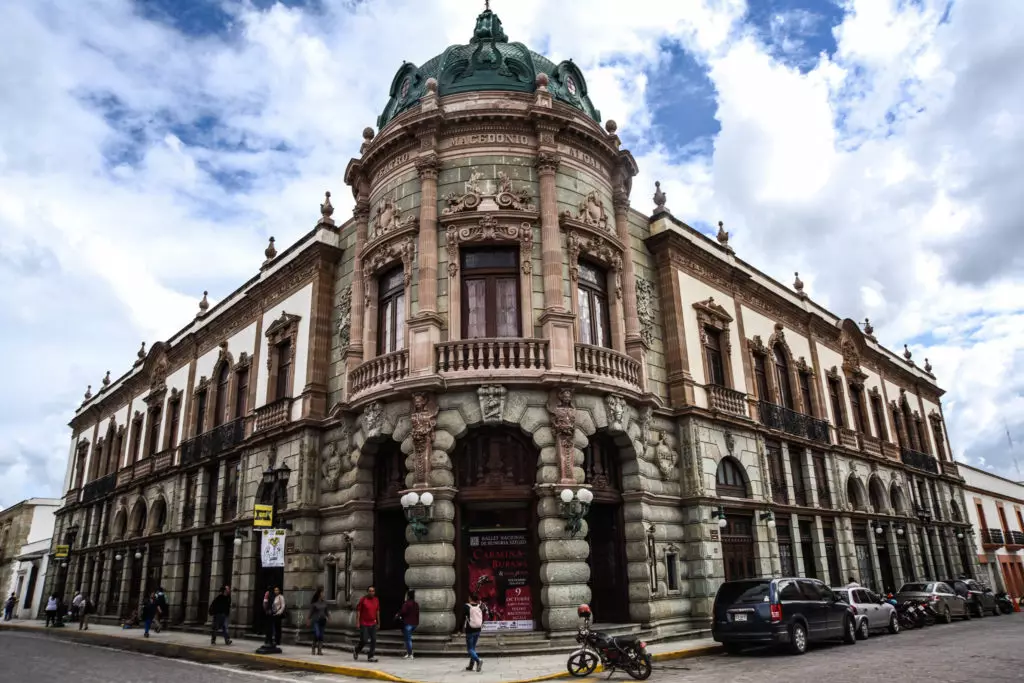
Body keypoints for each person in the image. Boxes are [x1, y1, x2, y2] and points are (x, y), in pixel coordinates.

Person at [459, 592, 487, 673]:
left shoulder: (466, 606)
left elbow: (462, 619)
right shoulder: (480, 606)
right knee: (473, 648)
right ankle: (471, 666)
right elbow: (483, 616)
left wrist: (460, 630)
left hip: (470, 630)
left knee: (470, 649)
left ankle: (478, 660)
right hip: (478, 629)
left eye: (469, 597)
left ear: (470, 598)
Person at [353, 586, 380, 662]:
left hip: (373, 623)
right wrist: (357, 622)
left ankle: (371, 656)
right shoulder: (363, 600)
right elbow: (358, 611)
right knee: (364, 640)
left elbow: (377, 611)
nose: (371, 592)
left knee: (374, 639)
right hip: (364, 623)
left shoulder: (376, 600)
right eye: (370, 591)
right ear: (367, 592)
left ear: (374, 592)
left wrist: (378, 622)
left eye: (373, 591)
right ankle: (357, 650)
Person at [306, 587, 330, 655]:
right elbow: (311, 612)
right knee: (317, 634)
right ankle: (313, 648)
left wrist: (328, 617)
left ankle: (319, 650)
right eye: (322, 593)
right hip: (316, 621)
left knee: (321, 635)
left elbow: (326, 611)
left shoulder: (325, 603)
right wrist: (308, 619)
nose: (323, 594)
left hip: (323, 621)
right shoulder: (314, 603)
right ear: (319, 594)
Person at [399, 589, 419, 659]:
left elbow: (403, 612)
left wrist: (399, 615)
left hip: (408, 623)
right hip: (414, 623)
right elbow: (417, 614)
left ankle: (410, 654)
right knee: (408, 638)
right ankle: (408, 652)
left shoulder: (406, 604)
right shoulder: (416, 604)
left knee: (408, 639)